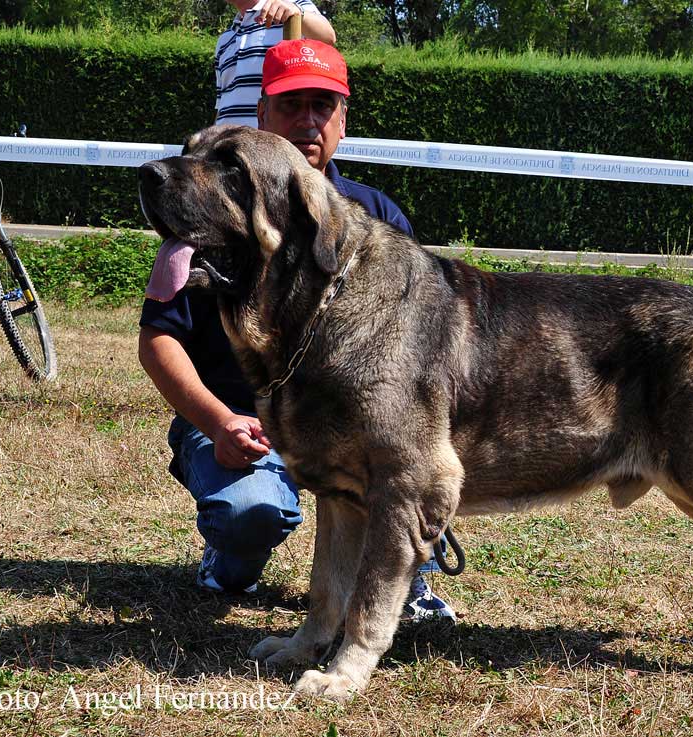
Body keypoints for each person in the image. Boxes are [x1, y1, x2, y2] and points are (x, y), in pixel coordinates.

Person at [138, 39, 456, 622]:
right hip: (243, 427)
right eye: (291, 105)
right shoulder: (207, 205)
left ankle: (409, 580)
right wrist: (218, 422)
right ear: (262, 115)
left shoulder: (374, 214)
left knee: (406, 451)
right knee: (249, 512)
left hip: (348, 426)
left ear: (342, 120)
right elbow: (158, 339)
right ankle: (229, 559)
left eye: (323, 105)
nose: (308, 121)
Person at [215, 0, 336, 127]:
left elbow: (328, 37)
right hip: (226, 141)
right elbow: (221, 105)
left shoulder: (289, 8)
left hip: (269, 142)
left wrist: (298, 13)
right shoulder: (225, 39)